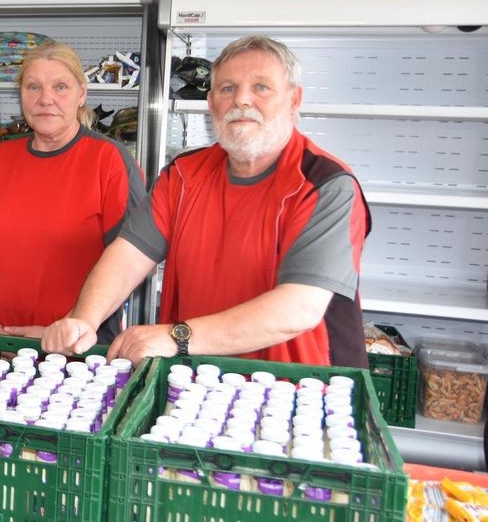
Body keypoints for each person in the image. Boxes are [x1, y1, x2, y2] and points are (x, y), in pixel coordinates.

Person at [42, 35, 371, 368]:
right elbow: (128, 255)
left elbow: (300, 307)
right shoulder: (185, 175)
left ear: (293, 100)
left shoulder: (323, 184)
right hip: (194, 383)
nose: (241, 99)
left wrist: (177, 337)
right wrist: (84, 320)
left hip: (301, 388)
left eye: (261, 87)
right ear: (211, 103)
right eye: (228, 88)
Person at [0, 41, 144, 341]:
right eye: (33, 87)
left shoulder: (109, 161)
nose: (45, 99)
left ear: (81, 94)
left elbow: (130, 265)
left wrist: (66, 328)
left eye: (60, 87)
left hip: (78, 350)